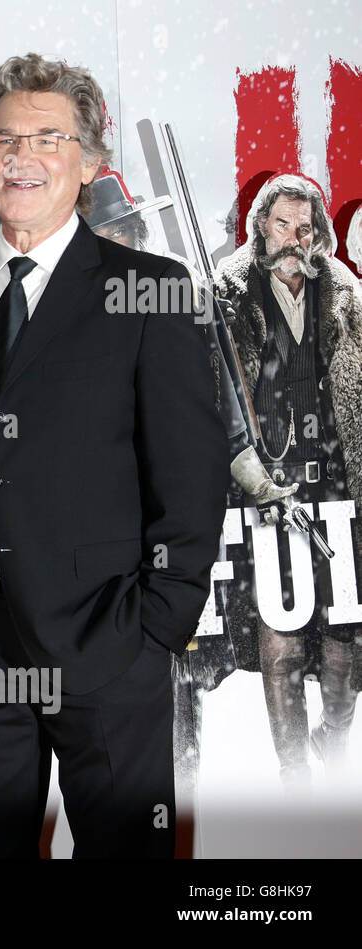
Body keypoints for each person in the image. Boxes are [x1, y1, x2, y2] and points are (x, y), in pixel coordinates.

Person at [0, 52, 228, 858]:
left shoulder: (149, 288)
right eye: (3, 139)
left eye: (47, 138)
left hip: (110, 645)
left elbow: (192, 472)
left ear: (91, 163)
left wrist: (158, 626)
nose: (21, 157)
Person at [213, 173, 362, 786]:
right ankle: (294, 775)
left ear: (319, 232)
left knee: (345, 638)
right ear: (260, 227)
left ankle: (334, 734)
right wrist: (249, 474)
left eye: (304, 227)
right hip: (267, 487)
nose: (292, 238)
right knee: (281, 637)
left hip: (336, 485)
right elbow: (214, 396)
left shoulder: (346, 295)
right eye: (281, 225)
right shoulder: (228, 294)